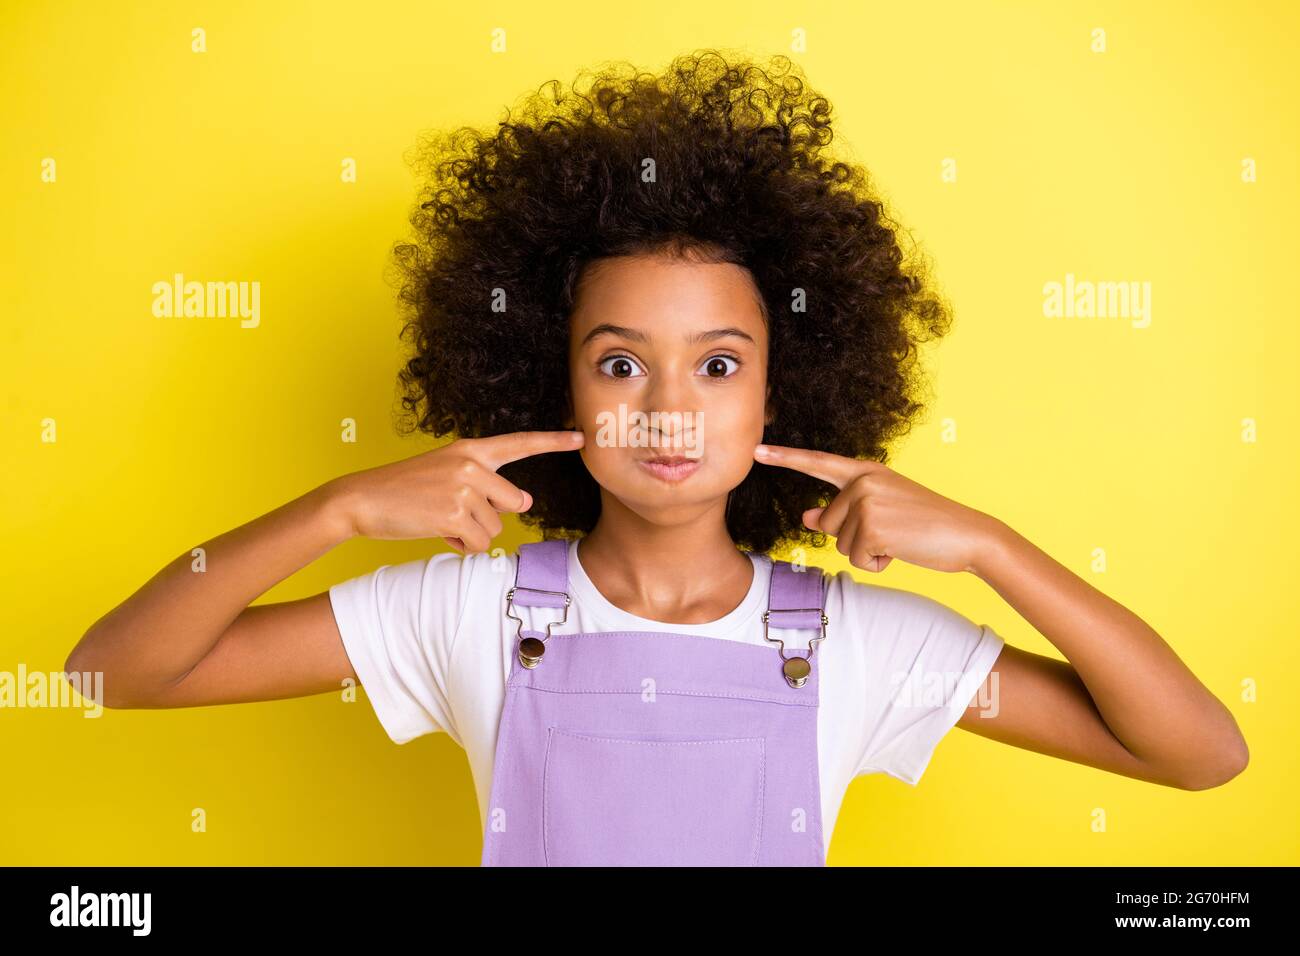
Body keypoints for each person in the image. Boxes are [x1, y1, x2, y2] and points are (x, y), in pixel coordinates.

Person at [65, 49, 1248, 866]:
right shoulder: (467, 611)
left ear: (786, 384)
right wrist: (334, 509)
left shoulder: (854, 644)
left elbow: (1200, 751)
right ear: (553, 381)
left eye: (720, 364)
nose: (670, 409)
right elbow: (112, 672)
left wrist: (991, 545)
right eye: (622, 363)